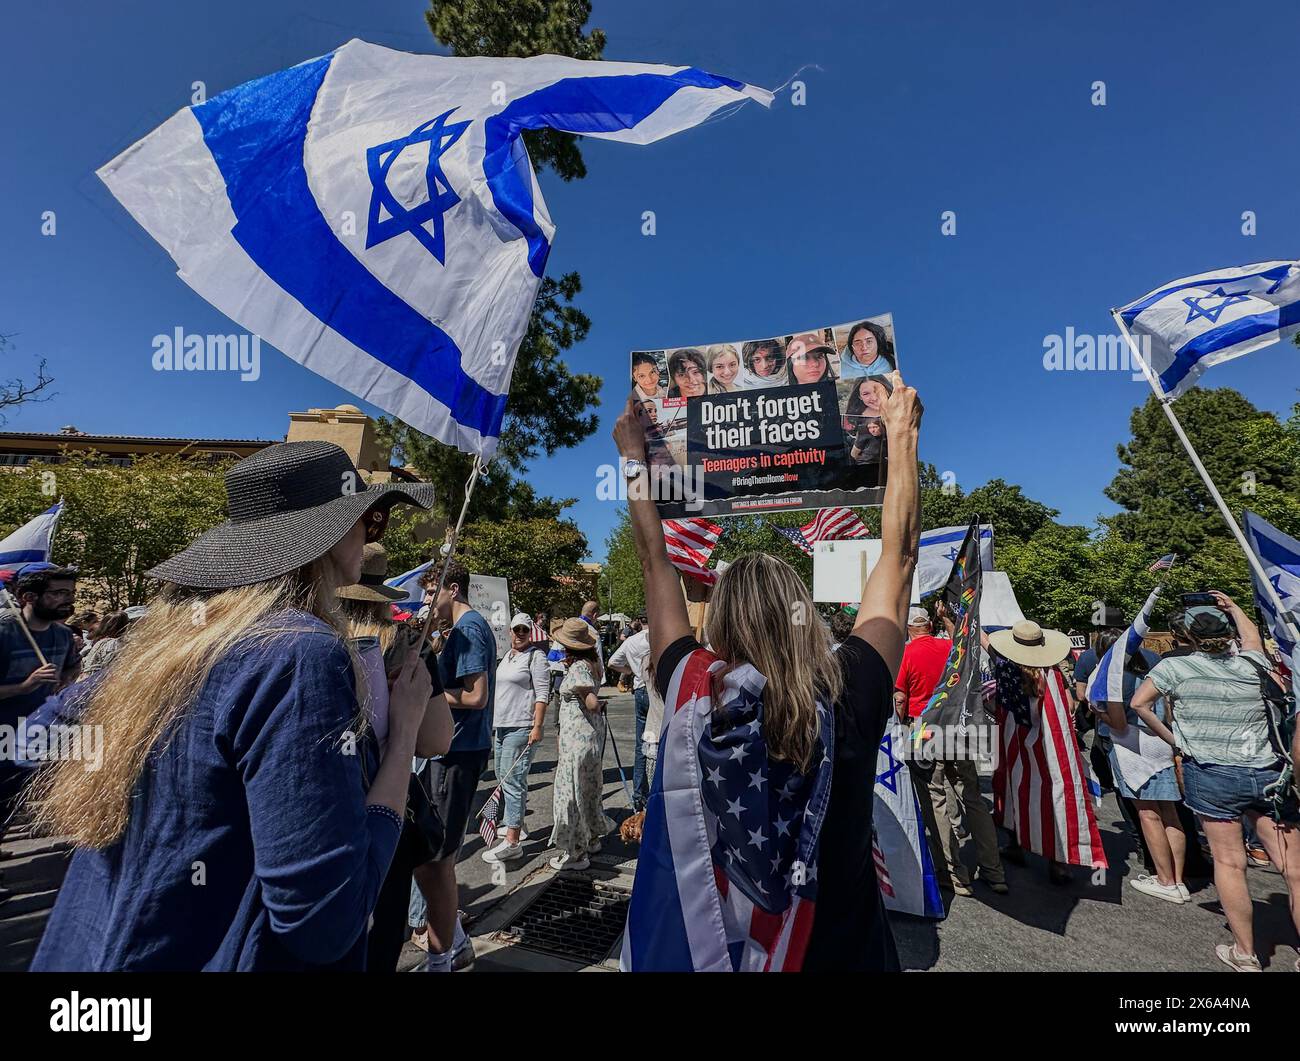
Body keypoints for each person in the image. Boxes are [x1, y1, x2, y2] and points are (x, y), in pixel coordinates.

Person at [27, 440, 436, 970]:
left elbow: (36, 736)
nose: (370, 535)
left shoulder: (167, 643)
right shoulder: (299, 653)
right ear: (328, 532)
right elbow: (326, 922)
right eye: (369, 519)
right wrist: (404, 735)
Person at [614, 366, 923, 971]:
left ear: (719, 624)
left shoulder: (688, 689)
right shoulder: (850, 685)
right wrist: (902, 439)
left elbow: (656, 561)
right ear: (802, 612)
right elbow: (901, 556)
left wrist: (633, 455)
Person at [1130, 593, 1300, 972]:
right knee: (1294, 869)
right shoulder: (1254, 662)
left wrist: (1174, 738)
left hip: (1211, 772)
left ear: (1186, 637)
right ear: (1228, 636)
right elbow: (1253, 638)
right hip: (1266, 771)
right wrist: (1234, 607)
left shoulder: (1176, 670)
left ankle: (1245, 952)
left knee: (1229, 862)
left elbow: (1139, 704)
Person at [335, 542, 453, 973]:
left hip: (314, 805)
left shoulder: (296, 633)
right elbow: (438, 741)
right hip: (386, 804)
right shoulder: (407, 644)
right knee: (378, 939)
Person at [411, 558, 498, 972]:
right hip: (448, 751)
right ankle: (456, 942)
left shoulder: (470, 629)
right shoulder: (460, 630)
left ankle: (441, 957)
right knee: (429, 853)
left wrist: (423, 694)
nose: (427, 600)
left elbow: (475, 696)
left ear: (454, 589)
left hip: (458, 752)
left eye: (432, 592)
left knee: (439, 856)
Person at [988, 619, 1108, 885]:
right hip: (1051, 743)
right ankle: (1059, 862)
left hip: (1017, 740)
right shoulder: (1052, 673)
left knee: (1014, 790)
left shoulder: (1006, 669)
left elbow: (988, 650)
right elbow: (1069, 703)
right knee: (1056, 794)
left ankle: (1017, 845)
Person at [900, 605, 1008, 896]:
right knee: (972, 796)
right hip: (959, 729)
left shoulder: (907, 653)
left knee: (934, 798)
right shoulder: (950, 646)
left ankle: (954, 873)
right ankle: (993, 870)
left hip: (925, 730)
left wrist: (901, 727)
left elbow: (900, 697)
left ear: (910, 627)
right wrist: (949, 618)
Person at [1081, 629, 1186, 905]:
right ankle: (1178, 878)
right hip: (1160, 742)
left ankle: (1165, 879)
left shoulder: (1110, 679)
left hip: (1131, 747)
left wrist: (1096, 709)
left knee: (1148, 814)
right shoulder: (1151, 671)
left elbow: (1117, 722)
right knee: (1170, 813)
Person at [0, 564, 81, 845]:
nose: (68, 599)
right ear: (28, 597)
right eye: (58, 593)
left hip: (36, 734)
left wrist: (66, 683)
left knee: (12, 799)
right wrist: (24, 686)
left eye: (70, 593)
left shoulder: (61, 636)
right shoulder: (4, 632)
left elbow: (72, 668)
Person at [482, 614, 551, 864]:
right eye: (516, 629)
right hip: (502, 725)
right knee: (503, 777)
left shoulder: (537, 657)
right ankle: (516, 825)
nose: (520, 633)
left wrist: (538, 726)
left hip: (522, 726)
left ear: (531, 632)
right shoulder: (508, 657)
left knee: (512, 780)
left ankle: (512, 841)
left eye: (525, 629)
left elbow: (543, 693)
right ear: (510, 631)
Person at [548, 617, 615, 871]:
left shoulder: (578, 669)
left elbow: (590, 702)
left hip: (578, 737)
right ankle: (592, 838)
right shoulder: (592, 663)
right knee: (587, 789)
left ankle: (576, 853)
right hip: (589, 736)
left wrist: (598, 704)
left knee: (571, 794)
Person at [608, 618, 652, 811]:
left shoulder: (631, 641)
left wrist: (632, 671)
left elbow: (612, 662)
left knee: (640, 744)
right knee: (658, 743)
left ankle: (639, 795)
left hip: (641, 689)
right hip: (655, 689)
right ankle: (652, 792)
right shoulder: (655, 638)